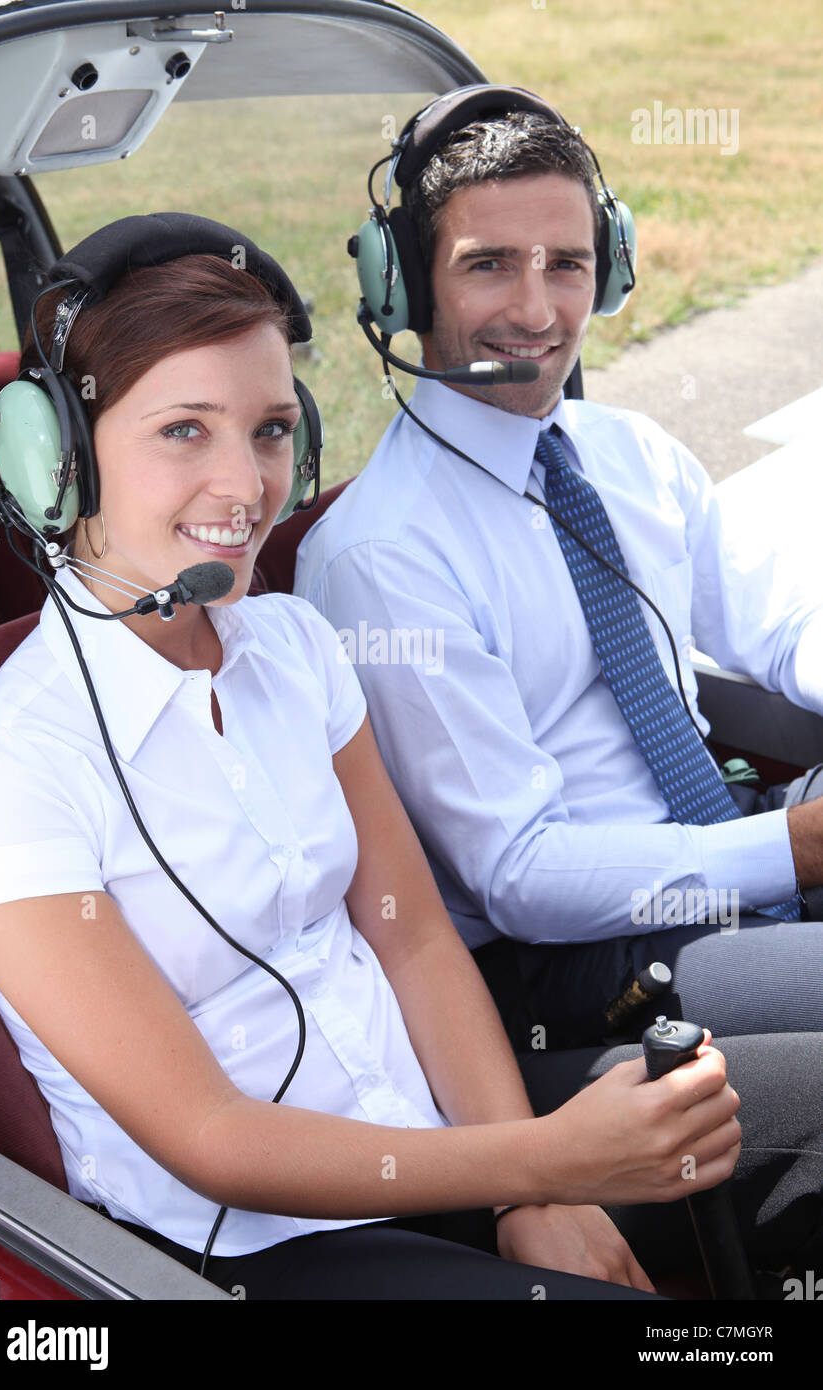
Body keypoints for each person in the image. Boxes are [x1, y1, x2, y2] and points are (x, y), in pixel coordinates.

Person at [0, 213, 818, 1302]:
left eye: (271, 429)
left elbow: (411, 942)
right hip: (259, 1243)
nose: (243, 486)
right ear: (57, 460)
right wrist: (547, 1163)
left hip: (444, 1129)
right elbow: (210, 1136)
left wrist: (525, 1190)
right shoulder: (2, 773)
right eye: (184, 430)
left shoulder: (294, 647)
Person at [295, 86, 823, 1054]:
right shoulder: (382, 558)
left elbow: (781, 623)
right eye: (487, 265)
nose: (535, 310)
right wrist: (793, 847)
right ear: (406, 286)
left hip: (718, 832)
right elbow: (518, 874)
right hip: (569, 951)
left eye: (565, 265)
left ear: (608, 270)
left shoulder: (631, 452)